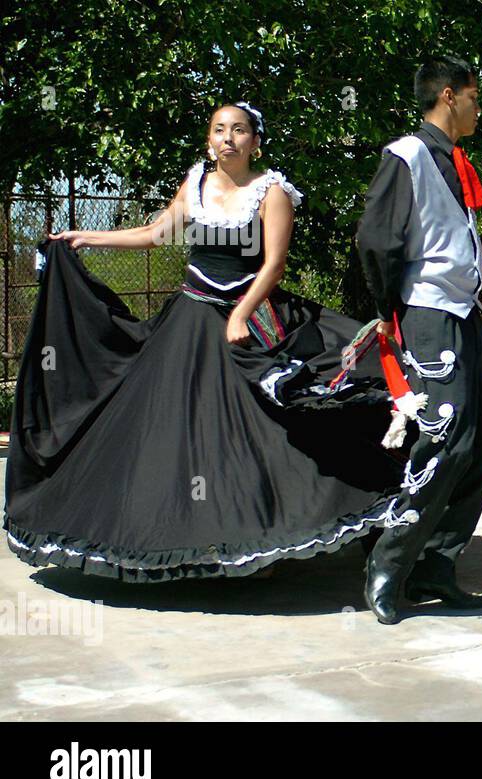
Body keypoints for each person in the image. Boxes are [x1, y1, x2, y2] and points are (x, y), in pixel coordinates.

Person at [6, 102, 401, 581]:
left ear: (255, 141)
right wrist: (86, 238)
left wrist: (241, 312)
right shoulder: (195, 183)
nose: (228, 138)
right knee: (169, 430)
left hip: (249, 320)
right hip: (189, 320)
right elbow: (156, 233)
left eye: (239, 130)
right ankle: (169, 533)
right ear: (209, 140)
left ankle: (277, 519)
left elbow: (273, 265)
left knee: (268, 426)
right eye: (219, 130)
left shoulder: (271, 192)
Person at [354, 55, 482, 623]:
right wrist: (391, 311)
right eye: (473, 97)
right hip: (426, 312)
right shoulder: (407, 154)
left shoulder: (454, 160)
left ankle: (439, 564)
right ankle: (390, 564)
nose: (477, 108)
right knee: (446, 437)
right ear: (447, 95)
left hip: (463, 313)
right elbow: (377, 239)